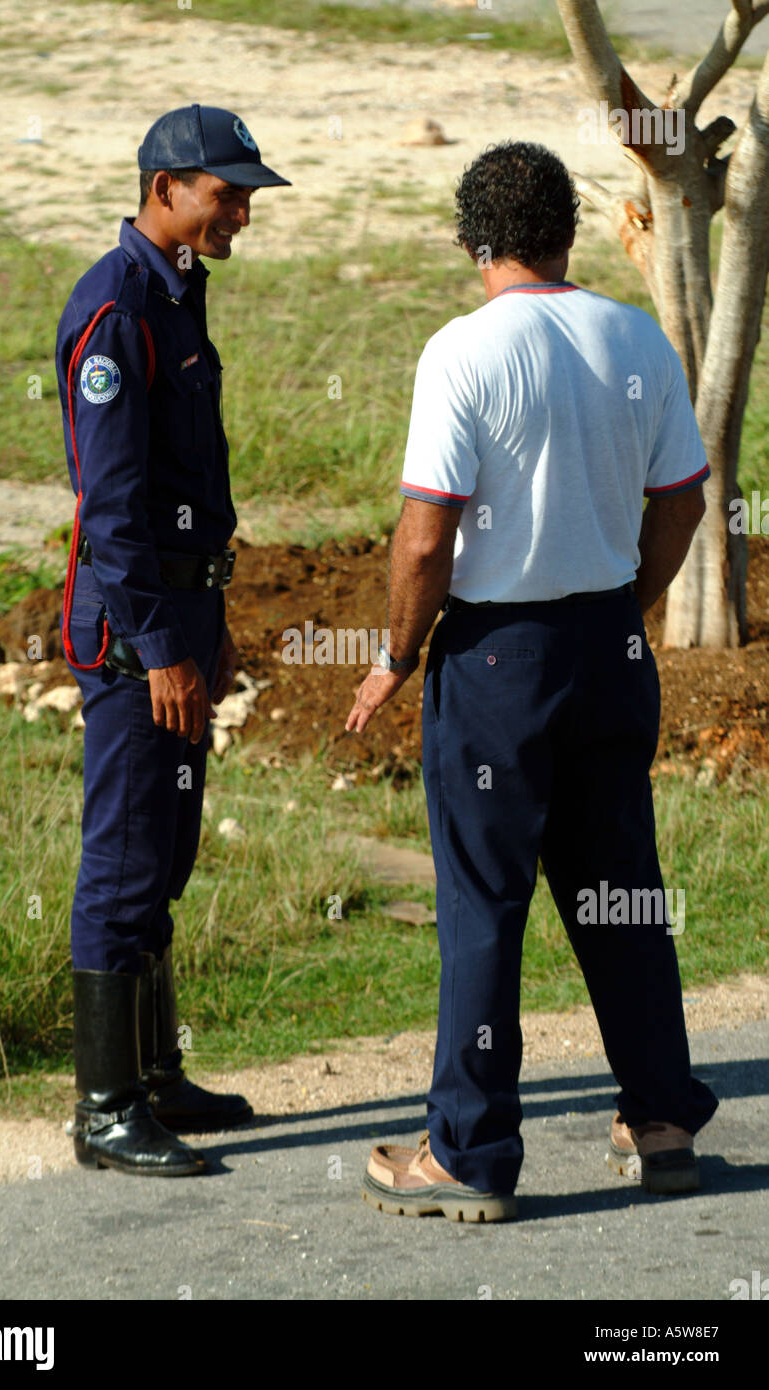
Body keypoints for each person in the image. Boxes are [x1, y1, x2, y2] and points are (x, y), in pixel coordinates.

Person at [346, 140, 718, 1222]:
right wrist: (623, 604)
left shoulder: (462, 352)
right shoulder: (633, 334)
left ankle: (467, 1150)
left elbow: (424, 541)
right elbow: (685, 498)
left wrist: (394, 656)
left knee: (482, 906)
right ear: (564, 232)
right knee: (621, 893)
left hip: (496, 661)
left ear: (476, 243)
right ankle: (658, 1116)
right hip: (608, 650)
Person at [56, 105, 290, 1176]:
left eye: (244, 193)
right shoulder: (116, 309)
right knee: (124, 853)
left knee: (166, 847)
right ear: (164, 188)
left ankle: (152, 1075)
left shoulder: (177, 295)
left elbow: (194, 493)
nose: (241, 209)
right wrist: (159, 647)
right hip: (131, 633)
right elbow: (109, 509)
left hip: (180, 613)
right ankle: (104, 1112)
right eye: (225, 191)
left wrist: (212, 623)